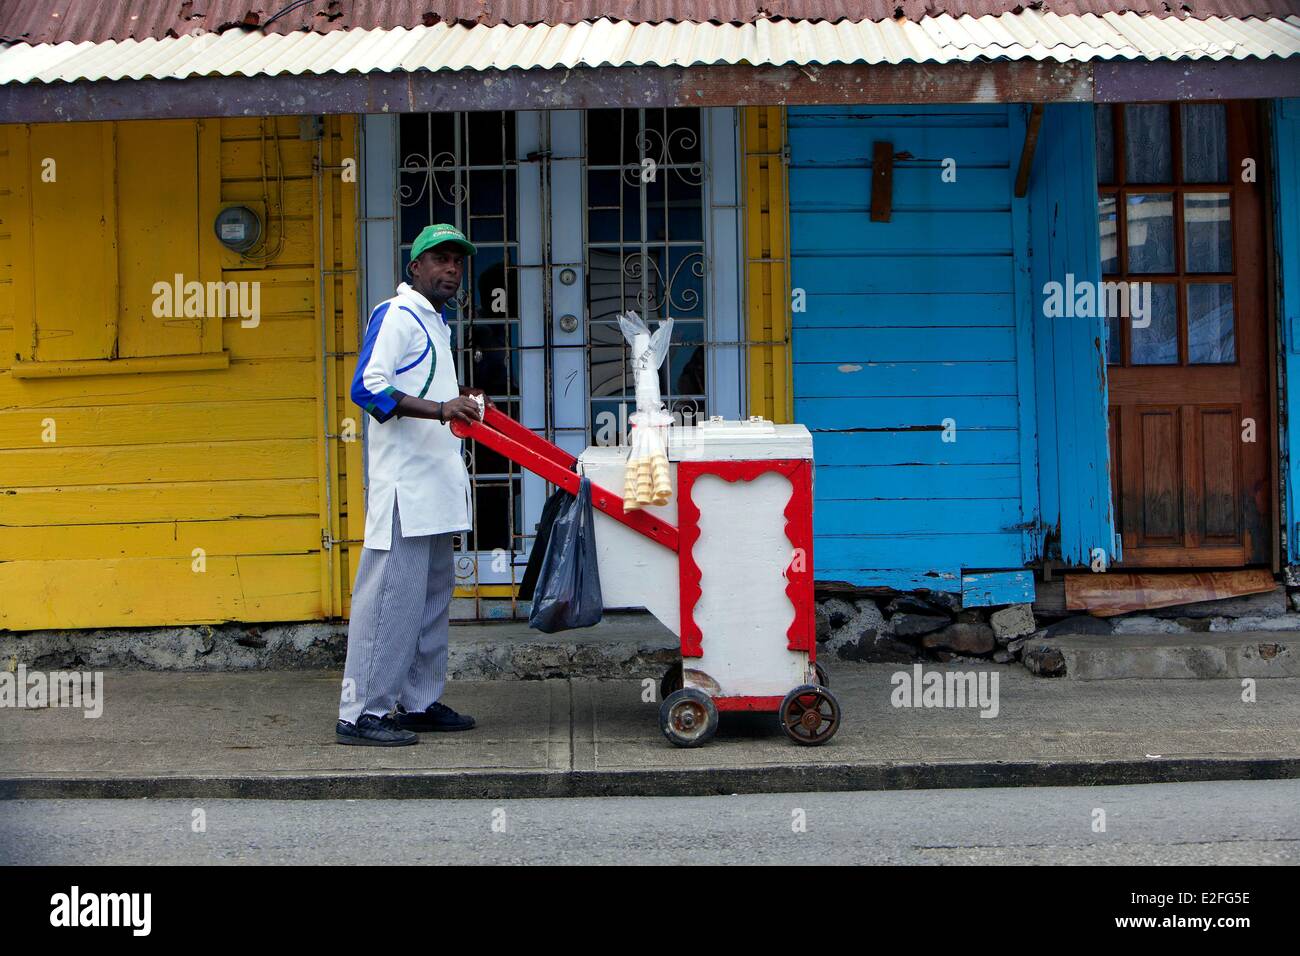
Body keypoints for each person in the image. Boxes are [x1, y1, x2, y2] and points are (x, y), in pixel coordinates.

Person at [335, 223, 489, 746]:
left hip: (437, 488)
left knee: (430, 600)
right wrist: (443, 408)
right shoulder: (397, 314)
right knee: (388, 603)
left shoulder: (435, 323)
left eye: (457, 261)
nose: (451, 269)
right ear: (415, 268)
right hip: (404, 490)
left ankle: (417, 702)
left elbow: (419, 387)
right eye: (440, 259)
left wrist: (457, 396)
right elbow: (368, 388)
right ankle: (362, 714)